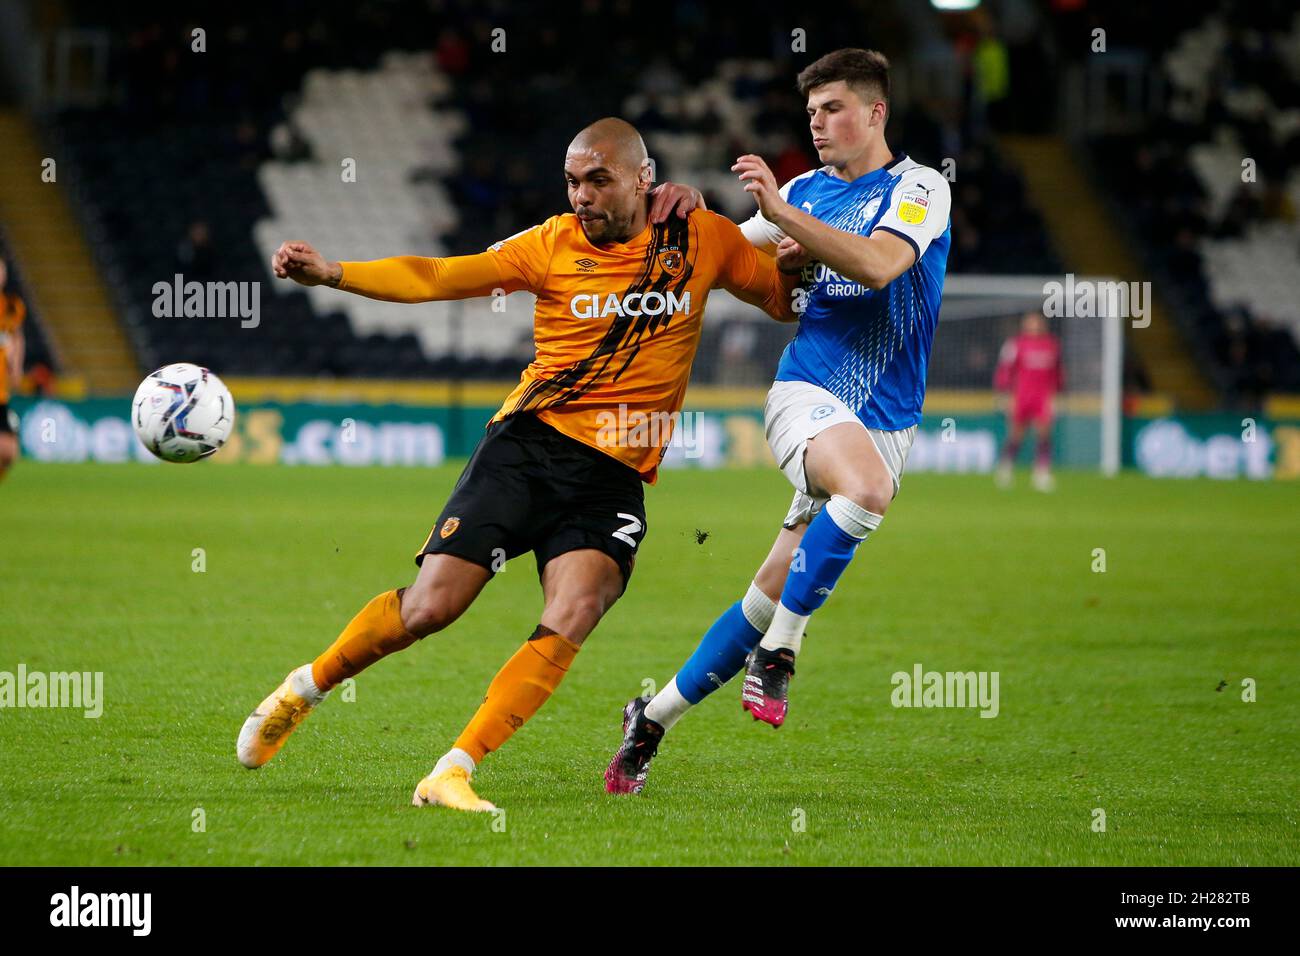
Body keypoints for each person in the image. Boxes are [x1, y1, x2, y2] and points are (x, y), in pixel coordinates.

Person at [237, 117, 800, 812]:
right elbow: (440, 275)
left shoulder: (701, 236)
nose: (582, 196)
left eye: (598, 180)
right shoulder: (549, 244)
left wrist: (801, 249)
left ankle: (453, 769)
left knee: (577, 608)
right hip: (528, 447)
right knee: (431, 609)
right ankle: (305, 688)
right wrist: (334, 274)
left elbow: (780, 299)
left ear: (643, 180)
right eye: (572, 181)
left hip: (612, 478)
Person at [606, 49, 952, 794]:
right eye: (811, 112)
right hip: (807, 393)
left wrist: (785, 220)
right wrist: (691, 210)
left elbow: (881, 265)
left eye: (832, 109)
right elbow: (730, 262)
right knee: (864, 492)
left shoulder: (921, 187)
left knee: (766, 593)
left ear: (875, 112)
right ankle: (782, 654)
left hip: (884, 420)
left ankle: (652, 718)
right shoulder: (801, 191)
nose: (818, 124)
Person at [994, 311, 1061, 492]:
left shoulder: (1051, 345)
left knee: (1044, 434)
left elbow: (1057, 373)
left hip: (1042, 397)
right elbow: (1005, 370)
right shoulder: (1016, 344)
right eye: (1030, 322)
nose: (1034, 325)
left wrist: (1056, 395)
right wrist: (1006, 395)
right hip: (1021, 396)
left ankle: (1041, 473)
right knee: (1016, 435)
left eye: (1037, 322)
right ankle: (1005, 467)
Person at [0, 258, 26, 483]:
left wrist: (16, 365)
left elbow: (16, 336)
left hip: (1, 392)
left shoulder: (11, 306)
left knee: (9, 453)